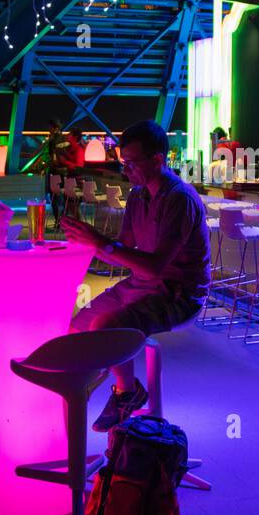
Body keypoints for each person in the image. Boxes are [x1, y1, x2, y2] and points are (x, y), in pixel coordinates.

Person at [63, 120, 211, 432]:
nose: (125, 169)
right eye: (123, 161)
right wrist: (87, 244)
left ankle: (126, 391)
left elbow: (155, 266)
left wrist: (101, 244)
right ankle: (86, 386)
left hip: (178, 294)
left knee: (105, 325)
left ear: (157, 160)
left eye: (131, 162)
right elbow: (125, 250)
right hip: (144, 285)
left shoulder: (179, 200)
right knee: (77, 326)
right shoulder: (138, 196)